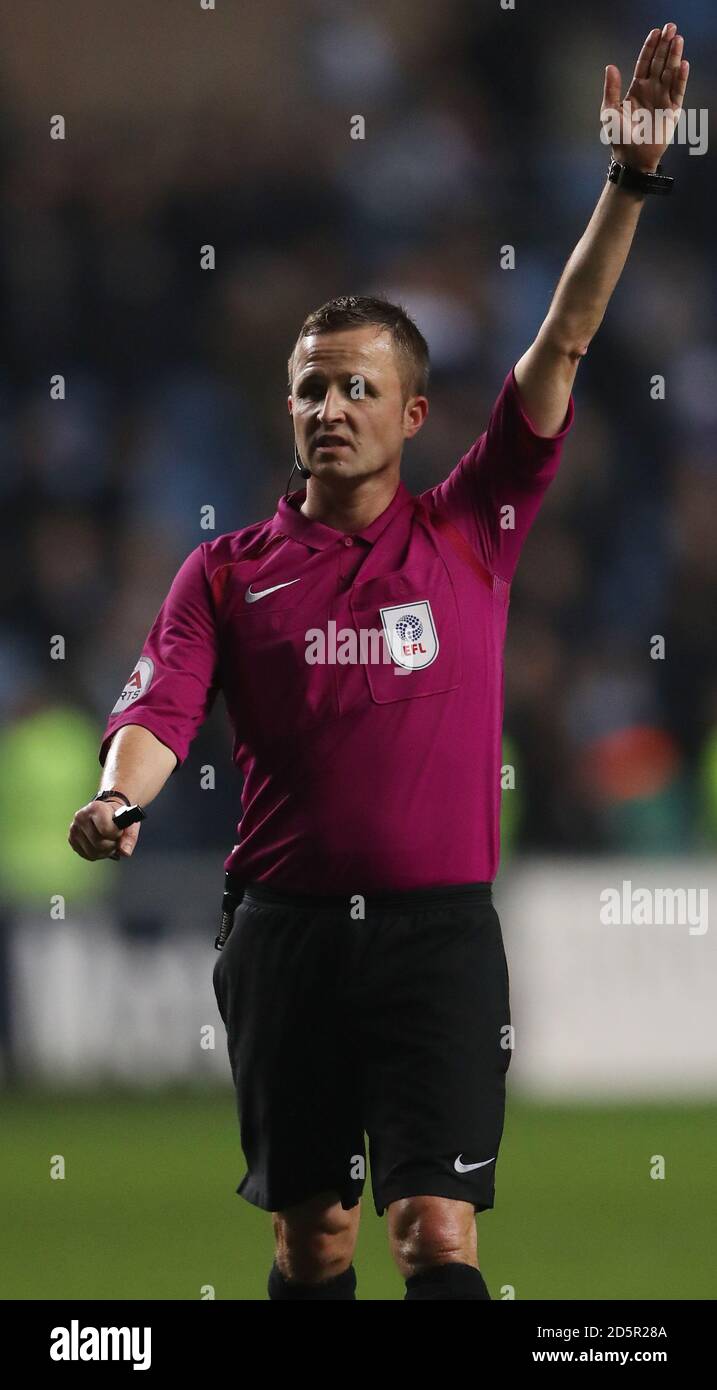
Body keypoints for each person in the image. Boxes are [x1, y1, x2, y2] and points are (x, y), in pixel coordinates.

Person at [68, 23, 689, 1300]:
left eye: (356, 388)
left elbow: (562, 344)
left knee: (437, 1233)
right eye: (311, 388)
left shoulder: (475, 528)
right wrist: (123, 796)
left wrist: (627, 185)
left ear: (412, 413)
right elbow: (163, 704)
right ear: (287, 406)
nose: (330, 408)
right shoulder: (227, 570)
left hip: (439, 937)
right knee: (314, 1242)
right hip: (285, 937)